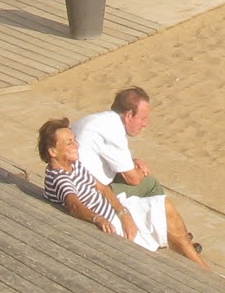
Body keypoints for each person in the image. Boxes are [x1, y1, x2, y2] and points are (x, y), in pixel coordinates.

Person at [72, 89, 208, 267]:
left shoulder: (97, 120)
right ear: (129, 115)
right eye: (142, 119)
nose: (145, 125)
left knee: (142, 179)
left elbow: (112, 159)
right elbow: (133, 179)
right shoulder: (113, 132)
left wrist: (133, 162)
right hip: (92, 193)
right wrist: (138, 168)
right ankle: (170, 234)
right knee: (148, 183)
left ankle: (172, 232)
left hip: (81, 182)